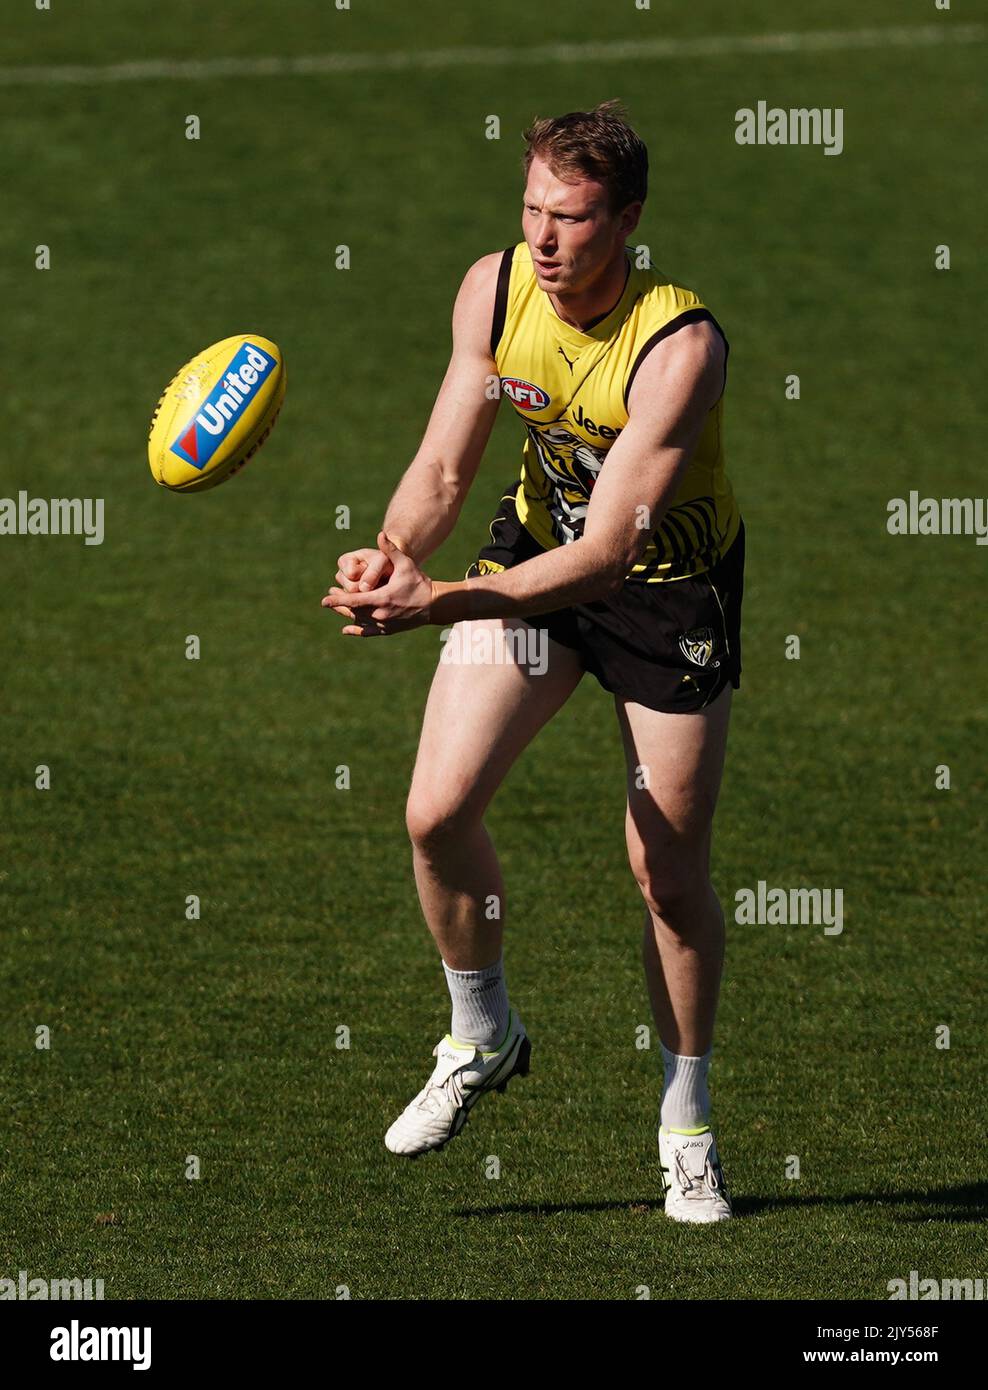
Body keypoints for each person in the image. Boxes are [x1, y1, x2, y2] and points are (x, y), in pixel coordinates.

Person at [323, 100, 744, 1223]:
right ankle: (483, 1032)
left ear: (629, 219)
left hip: (662, 598)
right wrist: (396, 552)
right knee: (433, 810)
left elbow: (610, 553)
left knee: (665, 871)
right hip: (530, 562)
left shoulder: (678, 346)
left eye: (572, 219)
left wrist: (441, 601)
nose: (545, 242)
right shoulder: (497, 288)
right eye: (531, 212)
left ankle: (686, 1122)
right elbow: (445, 465)